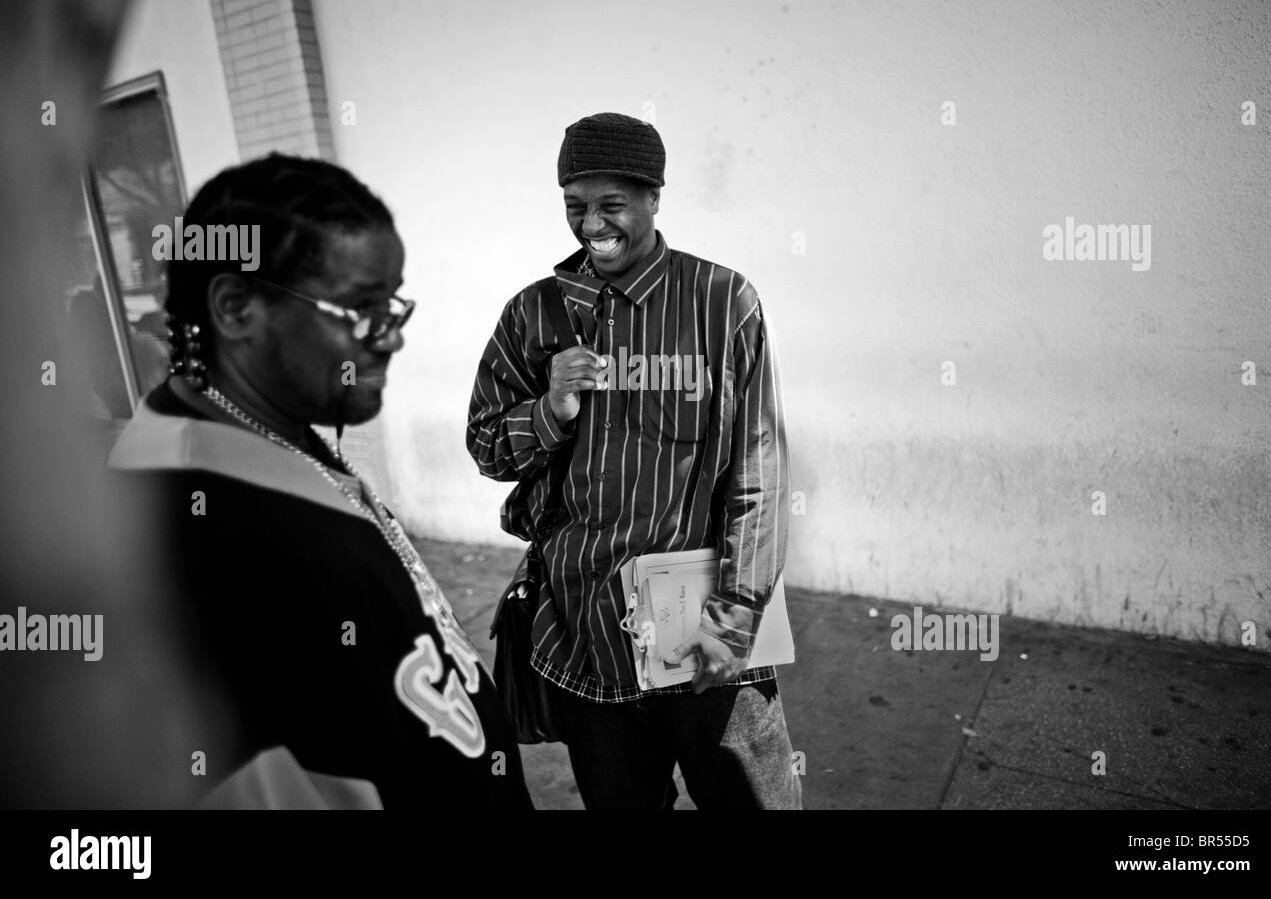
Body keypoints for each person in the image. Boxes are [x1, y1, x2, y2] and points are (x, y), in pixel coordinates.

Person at [109, 152, 532, 809]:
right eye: (360, 308)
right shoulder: (195, 534)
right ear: (235, 307)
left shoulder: (268, 426)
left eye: (392, 303)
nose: (389, 337)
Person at [467, 113, 799, 809]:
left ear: (653, 196)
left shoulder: (721, 302)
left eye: (610, 205)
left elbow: (757, 472)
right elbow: (487, 447)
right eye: (574, 206)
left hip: (702, 635)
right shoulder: (534, 316)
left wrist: (734, 619)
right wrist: (549, 411)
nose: (591, 225)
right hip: (582, 638)